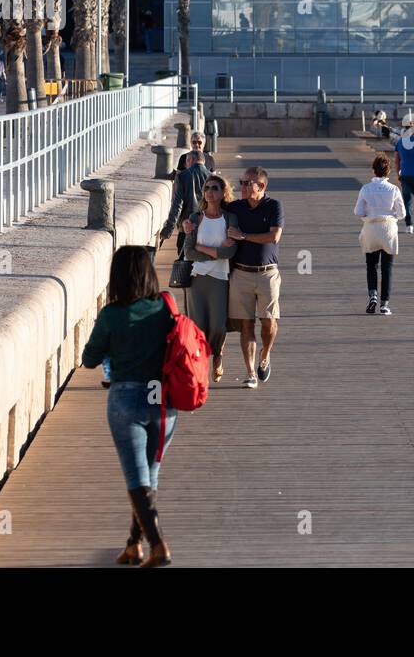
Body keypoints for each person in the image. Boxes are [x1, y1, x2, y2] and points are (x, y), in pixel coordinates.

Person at [80, 246, 177, 567]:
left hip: (127, 400)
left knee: (137, 477)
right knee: (148, 476)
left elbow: (89, 359)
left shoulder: (112, 315)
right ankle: (133, 545)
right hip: (164, 401)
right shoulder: (164, 310)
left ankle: (158, 545)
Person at [186, 166, 282, 389]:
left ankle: (265, 356)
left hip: (267, 273)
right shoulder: (235, 208)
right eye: (242, 182)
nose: (244, 187)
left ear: (262, 186)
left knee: (268, 322)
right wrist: (187, 226)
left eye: (249, 183)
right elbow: (210, 210)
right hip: (239, 274)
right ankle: (250, 374)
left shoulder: (273, 206)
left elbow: (274, 236)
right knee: (245, 325)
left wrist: (243, 236)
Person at [182, 174, 240, 381]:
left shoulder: (230, 219)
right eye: (207, 187)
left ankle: (218, 354)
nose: (210, 191)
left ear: (223, 192)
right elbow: (189, 252)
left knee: (217, 324)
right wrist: (213, 250)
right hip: (197, 277)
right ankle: (201, 365)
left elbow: (229, 253)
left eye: (215, 188)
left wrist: (202, 247)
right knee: (198, 325)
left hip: (219, 277)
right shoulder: (195, 218)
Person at [354, 154, 405, 315]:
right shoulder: (394, 189)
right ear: (388, 171)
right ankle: (384, 305)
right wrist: (392, 217)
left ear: (373, 171)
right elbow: (402, 213)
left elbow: (358, 211)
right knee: (387, 267)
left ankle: (373, 296)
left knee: (371, 264)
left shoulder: (366, 189)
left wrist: (367, 216)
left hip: (371, 228)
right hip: (388, 228)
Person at [159, 159, 210, 257]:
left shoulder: (182, 176)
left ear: (190, 160)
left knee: (185, 262)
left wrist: (168, 229)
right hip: (206, 228)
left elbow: (177, 205)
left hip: (186, 227)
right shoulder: (212, 177)